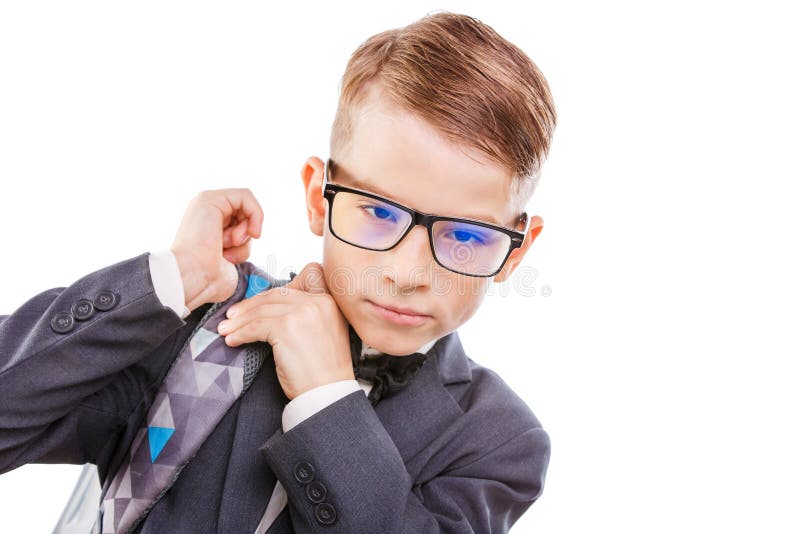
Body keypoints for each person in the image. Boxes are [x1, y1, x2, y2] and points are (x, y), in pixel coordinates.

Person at [0, 10, 556, 533]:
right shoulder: (199, 325)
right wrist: (173, 282)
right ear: (318, 197)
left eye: (465, 237)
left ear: (515, 251)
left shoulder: (501, 442)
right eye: (378, 212)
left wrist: (328, 400)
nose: (407, 274)